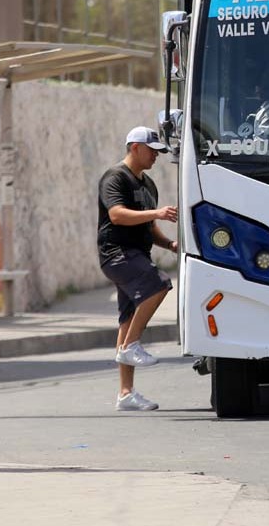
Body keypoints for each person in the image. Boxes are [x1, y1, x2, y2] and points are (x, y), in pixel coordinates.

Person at [98, 126, 179, 412]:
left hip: (136, 255)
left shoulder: (149, 185)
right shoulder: (115, 178)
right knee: (159, 283)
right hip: (117, 254)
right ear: (134, 147)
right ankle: (131, 345)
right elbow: (117, 215)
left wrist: (169, 244)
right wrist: (156, 212)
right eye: (151, 150)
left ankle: (125, 394)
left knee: (128, 316)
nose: (156, 156)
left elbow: (149, 227)